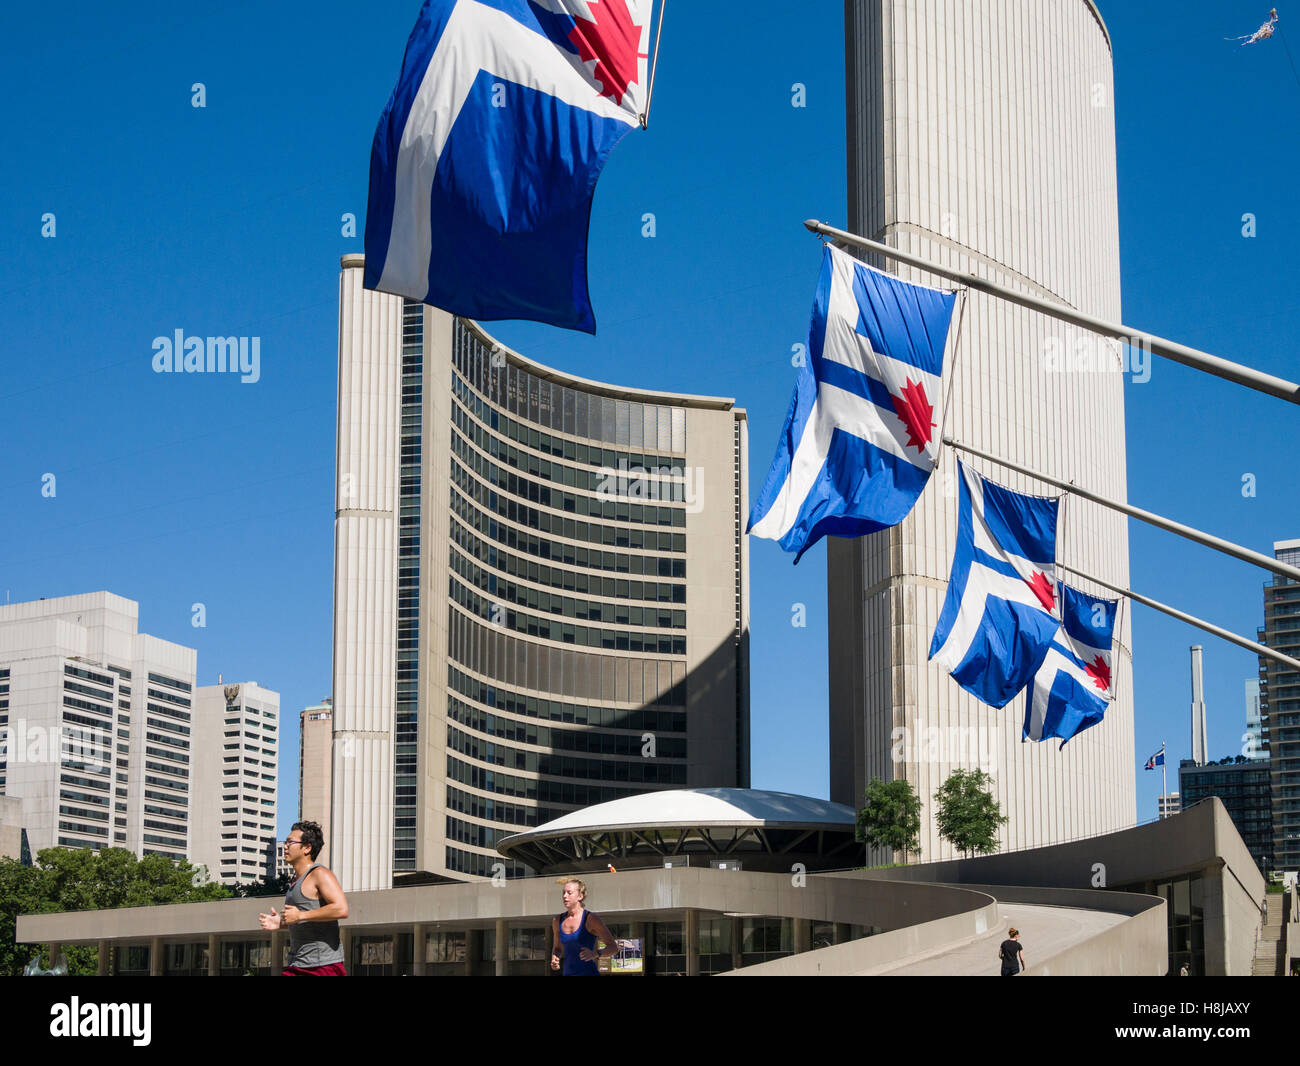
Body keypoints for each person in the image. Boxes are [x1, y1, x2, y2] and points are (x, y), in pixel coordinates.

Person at [258, 821, 349, 976]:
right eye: (285, 842)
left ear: (307, 848)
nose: (285, 846)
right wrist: (282, 922)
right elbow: (309, 921)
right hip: (298, 964)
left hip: (322, 967)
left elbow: (341, 908)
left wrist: (300, 915)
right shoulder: (295, 881)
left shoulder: (319, 874)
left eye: (290, 842)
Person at [550, 878, 617, 976]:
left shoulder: (591, 919)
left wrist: (595, 954)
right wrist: (555, 958)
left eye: (569, 893)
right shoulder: (557, 920)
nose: (564, 896)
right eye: (563, 893)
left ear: (580, 896)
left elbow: (613, 947)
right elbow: (557, 948)